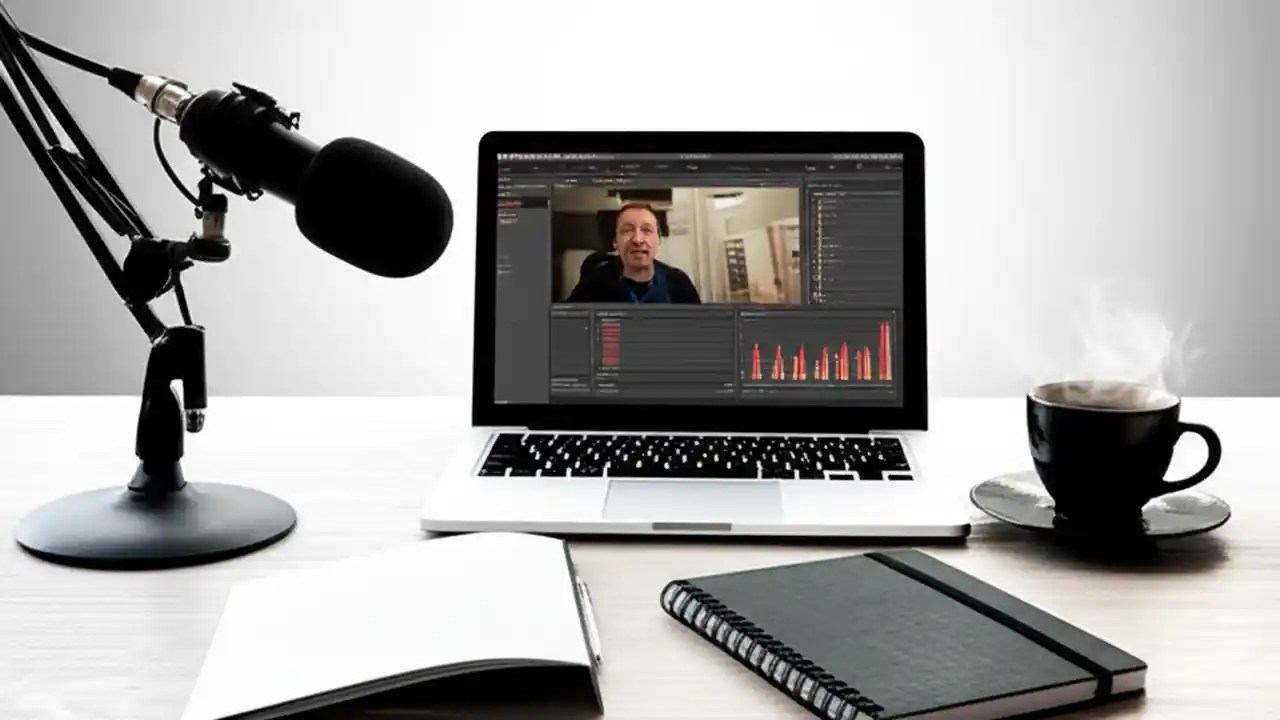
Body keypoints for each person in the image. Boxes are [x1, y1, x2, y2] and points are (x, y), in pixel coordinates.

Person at [566, 202, 702, 303]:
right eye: (627, 230)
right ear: (615, 242)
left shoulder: (678, 283)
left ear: (659, 240)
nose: (637, 239)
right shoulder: (594, 284)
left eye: (647, 230)